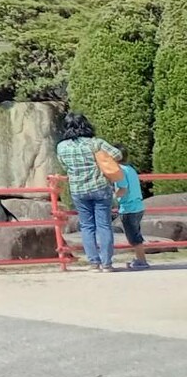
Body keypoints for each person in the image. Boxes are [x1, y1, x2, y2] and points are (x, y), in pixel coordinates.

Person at [56, 112, 124, 271]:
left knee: (87, 226)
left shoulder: (62, 146)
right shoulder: (95, 143)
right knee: (104, 225)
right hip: (100, 187)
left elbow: (64, 166)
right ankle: (107, 263)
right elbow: (118, 154)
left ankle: (94, 263)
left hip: (78, 189)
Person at [114, 159, 150, 270]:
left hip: (128, 208)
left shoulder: (120, 170)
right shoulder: (130, 169)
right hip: (138, 206)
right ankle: (140, 258)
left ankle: (142, 260)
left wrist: (112, 197)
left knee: (134, 237)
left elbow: (123, 189)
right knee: (136, 233)